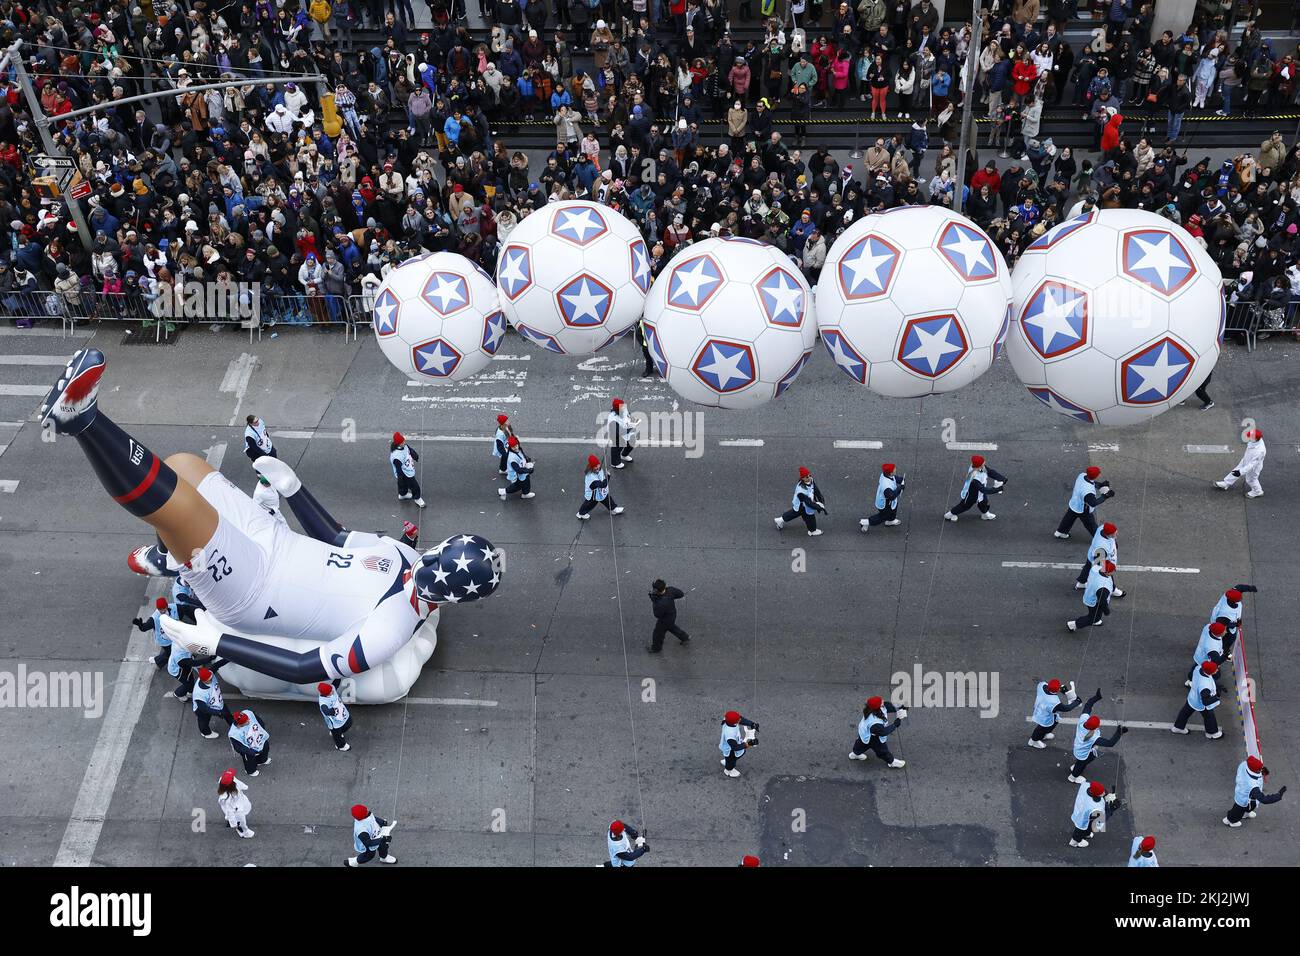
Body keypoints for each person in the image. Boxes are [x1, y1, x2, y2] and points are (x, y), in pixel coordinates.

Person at [40, 350, 475, 689]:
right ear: (439, 549)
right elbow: (335, 537)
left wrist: (217, 644)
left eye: (439, 581)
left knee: (184, 510)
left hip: (255, 592)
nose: (428, 572)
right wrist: (295, 490)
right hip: (275, 540)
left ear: (453, 598)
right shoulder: (400, 554)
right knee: (185, 467)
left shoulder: (391, 629)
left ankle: (82, 418)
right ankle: (172, 555)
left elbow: (305, 668)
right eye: (436, 561)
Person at [1067, 703, 1128, 782]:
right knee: (1082, 763)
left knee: (1087, 758)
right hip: (1082, 753)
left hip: (1079, 747)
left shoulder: (1082, 721)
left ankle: (1076, 767)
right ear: (1096, 727)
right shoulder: (1093, 737)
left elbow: (1087, 706)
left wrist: (1096, 698)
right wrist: (1119, 732)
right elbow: (1110, 743)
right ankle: (1073, 777)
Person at [1223, 755, 1286, 827]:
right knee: (1237, 810)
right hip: (1244, 798)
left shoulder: (1244, 765)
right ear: (1256, 771)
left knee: (1251, 805)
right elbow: (1264, 799)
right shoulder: (1252, 785)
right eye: (1260, 769)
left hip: (1245, 794)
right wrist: (1278, 795)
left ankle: (1245, 813)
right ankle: (1231, 821)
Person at [1055, 466, 1114, 538]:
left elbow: (1091, 482)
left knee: (1068, 519)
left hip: (1074, 503)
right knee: (1091, 524)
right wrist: (1106, 496)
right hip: (1083, 509)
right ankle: (1099, 538)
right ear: (1096, 476)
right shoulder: (1088, 491)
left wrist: (1101, 485)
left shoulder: (1082, 475)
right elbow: (1093, 503)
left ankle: (1061, 532)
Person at [944, 454, 1006, 521]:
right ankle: (949, 515)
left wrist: (1002, 478)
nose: (985, 462)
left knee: (984, 502)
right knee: (964, 506)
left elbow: (990, 472)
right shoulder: (975, 478)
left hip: (979, 492)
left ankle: (985, 514)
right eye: (983, 462)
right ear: (980, 465)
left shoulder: (979, 467)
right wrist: (997, 489)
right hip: (972, 495)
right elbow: (984, 490)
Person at [849, 696, 907, 768]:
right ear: (878, 708)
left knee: (861, 744)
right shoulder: (874, 723)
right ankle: (891, 762)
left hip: (864, 733)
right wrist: (895, 725)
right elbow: (883, 732)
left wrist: (900, 706)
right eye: (881, 702)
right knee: (882, 751)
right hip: (874, 737)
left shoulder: (872, 709)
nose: (882, 701)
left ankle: (855, 754)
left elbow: (888, 707)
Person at [1172, 660, 1223, 739]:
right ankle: (1212, 733)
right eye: (1215, 670)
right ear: (1210, 672)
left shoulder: (1198, 668)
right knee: (1209, 716)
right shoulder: (1205, 685)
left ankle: (1178, 727)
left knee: (1185, 712)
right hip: (1200, 704)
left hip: (1192, 697)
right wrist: (1217, 697)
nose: (1217, 670)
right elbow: (1205, 701)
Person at [1027, 678, 1082, 748]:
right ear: (1058, 690)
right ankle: (1033, 741)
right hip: (1044, 717)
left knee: (1054, 722)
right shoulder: (1054, 702)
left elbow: (1039, 680)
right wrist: (1077, 702)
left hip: (1040, 710)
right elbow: (1066, 708)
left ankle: (1043, 735)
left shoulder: (1042, 685)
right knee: (1041, 729)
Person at [1074, 522, 1124, 597]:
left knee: (1087, 567)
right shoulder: (1101, 548)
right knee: (1107, 572)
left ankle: (1081, 582)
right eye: (1114, 534)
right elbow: (1100, 564)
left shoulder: (1102, 528)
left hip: (1092, 554)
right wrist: (1107, 569)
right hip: (1101, 559)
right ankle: (1113, 589)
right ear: (1108, 535)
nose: (1116, 535)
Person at [776, 466, 828, 536]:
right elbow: (808, 503)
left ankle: (780, 520)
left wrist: (821, 499)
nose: (809, 477)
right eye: (806, 477)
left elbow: (815, 489)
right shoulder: (801, 491)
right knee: (810, 517)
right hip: (804, 505)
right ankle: (812, 530)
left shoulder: (810, 480)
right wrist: (818, 507)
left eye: (810, 475)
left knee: (795, 513)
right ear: (802, 478)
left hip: (802, 505)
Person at [1214, 428, 1266, 498]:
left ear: (1255, 439)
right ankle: (1226, 483)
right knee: (1235, 471)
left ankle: (1258, 491)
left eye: (1250, 437)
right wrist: (1240, 470)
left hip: (1253, 468)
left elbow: (1252, 465)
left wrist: (1241, 472)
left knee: (1251, 480)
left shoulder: (1260, 451)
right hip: (1246, 460)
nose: (1248, 438)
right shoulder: (1255, 441)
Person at [1069, 780, 1120, 848]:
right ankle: (1075, 841)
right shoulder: (1095, 806)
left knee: (1088, 827)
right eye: (1102, 793)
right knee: (1080, 829)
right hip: (1084, 818)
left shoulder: (1087, 786)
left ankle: (1086, 834)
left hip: (1081, 810)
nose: (1104, 793)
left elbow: (1099, 790)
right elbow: (1101, 819)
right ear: (1096, 795)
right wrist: (1111, 809)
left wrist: (1107, 795)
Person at [1067, 560, 1115, 631]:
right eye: (1112, 570)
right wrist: (1106, 611)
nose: (1114, 571)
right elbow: (1102, 601)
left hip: (1090, 593)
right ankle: (1073, 625)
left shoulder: (1095, 568)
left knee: (1093, 613)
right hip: (1094, 601)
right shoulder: (1103, 587)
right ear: (1107, 572)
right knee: (1094, 617)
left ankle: (1094, 619)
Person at [192, 664, 235, 738]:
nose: (212, 679)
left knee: (227, 714)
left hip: (218, 703)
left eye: (211, 677)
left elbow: (217, 665)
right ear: (203, 681)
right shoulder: (199, 693)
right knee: (204, 720)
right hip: (203, 710)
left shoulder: (210, 673)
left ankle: (234, 725)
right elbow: (204, 709)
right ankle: (206, 733)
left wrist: (229, 658)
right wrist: (217, 713)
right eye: (209, 679)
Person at [133, 597, 176, 671]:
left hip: (172, 636)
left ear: (166, 606)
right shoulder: (154, 618)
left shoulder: (171, 608)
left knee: (172, 652)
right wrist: (140, 624)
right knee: (171, 653)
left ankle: (157, 661)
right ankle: (158, 662)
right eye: (160, 609)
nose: (162, 611)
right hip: (164, 640)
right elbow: (144, 628)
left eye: (164, 608)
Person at [647, 579, 690, 653]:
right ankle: (685, 637)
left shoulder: (661, 603)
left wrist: (654, 600)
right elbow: (680, 594)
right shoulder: (670, 590)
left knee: (658, 633)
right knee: (671, 627)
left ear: (658, 591)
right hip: (672, 615)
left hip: (664, 619)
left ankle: (656, 648)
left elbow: (657, 614)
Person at [860, 462, 904, 531]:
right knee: (883, 516)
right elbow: (891, 496)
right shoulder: (886, 486)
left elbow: (894, 478)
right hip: (885, 503)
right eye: (894, 469)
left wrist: (901, 480)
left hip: (889, 502)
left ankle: (890, 520)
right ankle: (866, 522)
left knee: (893, 509)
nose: (895, 469)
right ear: (890, 473)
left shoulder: (885, 475)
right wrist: (899, 488)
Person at [228, 709, 272, 775]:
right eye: (246, 721)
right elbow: (239, 747)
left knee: (265, 747)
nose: (249, 720)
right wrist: (250, 752)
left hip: (259, 739)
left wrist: (261, 731)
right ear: (240, 724)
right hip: (248, 748)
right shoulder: (234, 734)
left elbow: (258, 721)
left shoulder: (248, 714)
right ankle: (250, 771)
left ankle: (262, 760)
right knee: (249, 758)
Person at [390, 432, 427, 507]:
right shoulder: (396, 456)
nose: (404, 442)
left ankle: (402, 494)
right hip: (405, 473)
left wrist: (415, 455)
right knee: (415, 486)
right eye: (402, 442)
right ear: (398, 444)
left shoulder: (404, 446)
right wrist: (401, 479)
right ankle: (417, 498)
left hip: (407, 469)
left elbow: (409, 450)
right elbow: (399, 470)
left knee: (404, 486)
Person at [719, 709, 759, 777]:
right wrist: (748, 744)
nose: (740, 720)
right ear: (735, 723)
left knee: (733, 757)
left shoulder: (728, 720)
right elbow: (735, 747)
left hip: (732, 744)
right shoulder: (730, 734)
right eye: (738, 720)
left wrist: (752, 724)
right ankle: (728, 770)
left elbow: (741, 719)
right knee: (732, 760)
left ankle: (727, 761)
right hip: (730, 749)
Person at [217, 768, 254, 839]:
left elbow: (241, 784)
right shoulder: (226, 799)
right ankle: (244, 833)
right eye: (232, 777)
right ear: (231, 784)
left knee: (236, 818)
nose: (234, 777)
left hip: (239, 805)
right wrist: (234, 824)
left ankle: (231, 822)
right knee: (241, 823)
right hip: (237, 811)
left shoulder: (227, 782)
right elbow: (230, 811)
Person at [318, 682, 354, 751]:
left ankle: (339, 732)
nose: (333, 691)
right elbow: (325, 710)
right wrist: (332, 711)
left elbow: (336, 682)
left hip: (343, 714)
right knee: (337, 735)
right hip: (334, 722)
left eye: (332, 690)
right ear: (326, 694)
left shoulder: (331, 689)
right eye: (330, 692)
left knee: (349, 723)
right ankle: (341, 746)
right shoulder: (323, 702)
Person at [498, 436, 536, 500]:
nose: (515, 448)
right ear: (510, 447)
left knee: (526, 481)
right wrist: (528, 470)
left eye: (516, 445)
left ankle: (525, 493)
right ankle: (503, 491)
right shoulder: (512, 458)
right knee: (517, 486)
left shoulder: (518, 449)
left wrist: (527, 460)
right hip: (517, 475)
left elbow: (521, 455)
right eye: (513, 447)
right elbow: (518, 470)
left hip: (522, 471)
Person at [607, 398, 637, 468]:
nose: (624, 409)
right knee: (617, 448)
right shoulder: (613, 419)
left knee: (631, 443)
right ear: (617, 410)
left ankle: (624, 455)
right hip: (617, 435)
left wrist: (632, 418)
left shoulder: (622, 408)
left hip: (626, 429)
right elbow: (620, 432)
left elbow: (628, 414)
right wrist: (631, 427)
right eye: (622, 408)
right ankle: (615, 463)